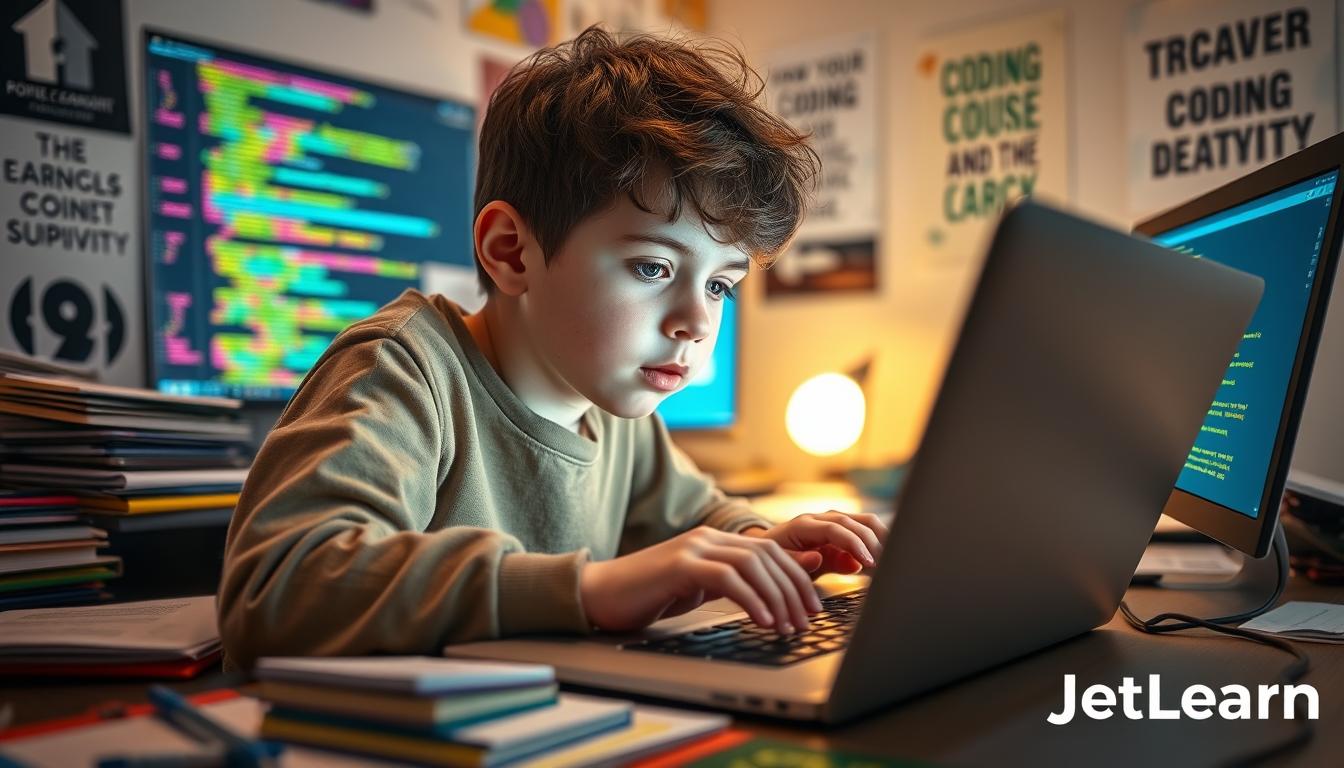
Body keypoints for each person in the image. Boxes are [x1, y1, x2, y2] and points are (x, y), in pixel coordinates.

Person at [217, 26, 887, 668]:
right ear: (511, 252)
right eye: (653, 268)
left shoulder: (616, 409)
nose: (695, 322)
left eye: (719, 285)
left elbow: (697, 518)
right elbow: (275, 591)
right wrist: (588, 590)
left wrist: (764, 547)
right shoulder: (404, 369)